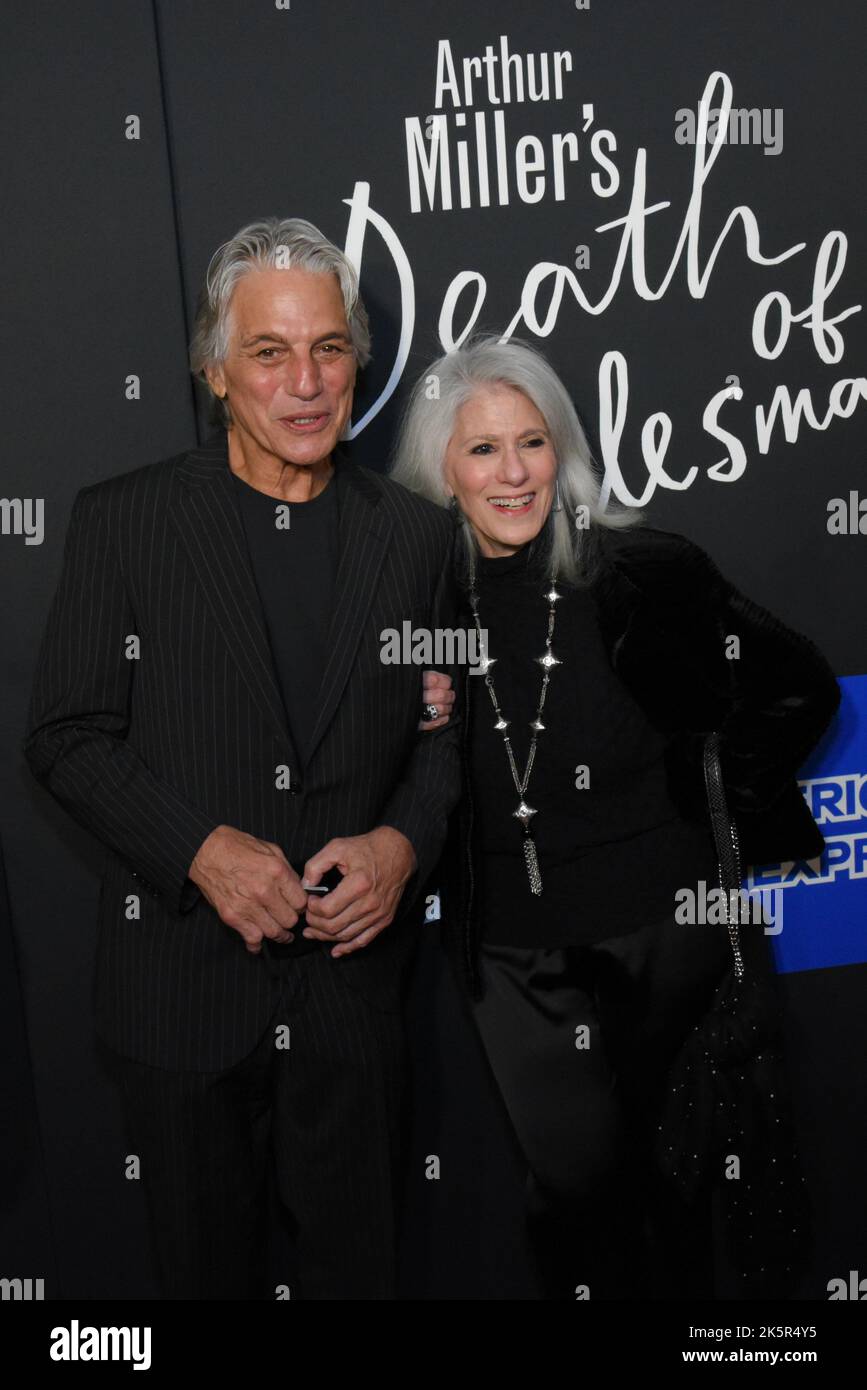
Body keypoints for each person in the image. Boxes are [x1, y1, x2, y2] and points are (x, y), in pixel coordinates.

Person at [22, 217, 460, 1300]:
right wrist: (201, 850)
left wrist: (403, 843)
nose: (305, 383)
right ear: (217, 372)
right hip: (182, 1005)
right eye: (270, 353)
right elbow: (66, 735)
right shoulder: (124, 524)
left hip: (354, 1009)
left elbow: (446, 744)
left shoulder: (415, 539)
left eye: (329, 348)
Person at [391, 333, 841, 1300]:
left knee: (676, 1182)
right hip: (513, 958)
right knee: (576, 1184)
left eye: (533, 442)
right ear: (439, 467)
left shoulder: (644, 574)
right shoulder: (413, 607)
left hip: (666, 929)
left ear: (564, 450)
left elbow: (796, 687)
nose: (513, 473)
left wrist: (721, 796)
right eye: (481, 449)